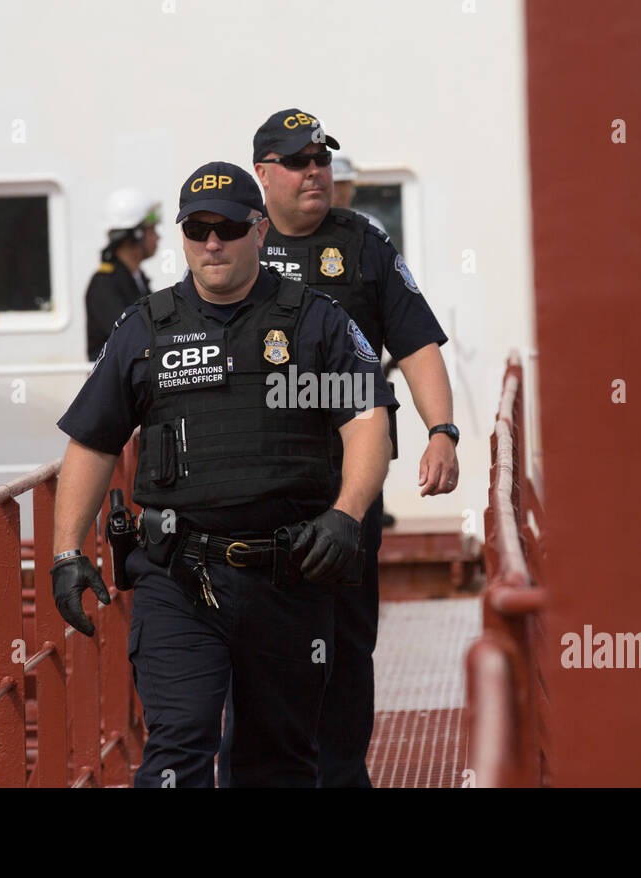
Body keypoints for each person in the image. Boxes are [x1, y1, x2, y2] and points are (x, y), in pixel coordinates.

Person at [51, 160, 396, 787]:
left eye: (229, 228)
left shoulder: (314, 322)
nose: (212, 243)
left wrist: (347, 514)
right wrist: (67, 553)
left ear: (259, 231)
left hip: (288, 576)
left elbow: (367, 419)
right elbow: (92, 443)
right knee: (178, 746)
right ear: (182, 236)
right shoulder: (145, 328)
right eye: (198, 229)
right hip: (178, 578)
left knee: (278, 760)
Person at [232, 107, 461, 788]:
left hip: (348, 479)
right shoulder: (235, 239)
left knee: (346, 639)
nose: (314, 172)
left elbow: (416, 342)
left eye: (322, 159)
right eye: (298, 162)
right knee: (254, 641)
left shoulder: (363, 243)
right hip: (255, 479)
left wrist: (442, 431)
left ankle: (339, 775)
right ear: (263, 172)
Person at [84, 187, 160, 360]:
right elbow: (129, 333)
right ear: (136, 235)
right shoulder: (104, 283)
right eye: (152, 230)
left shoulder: (137, 277)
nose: (158, 237)